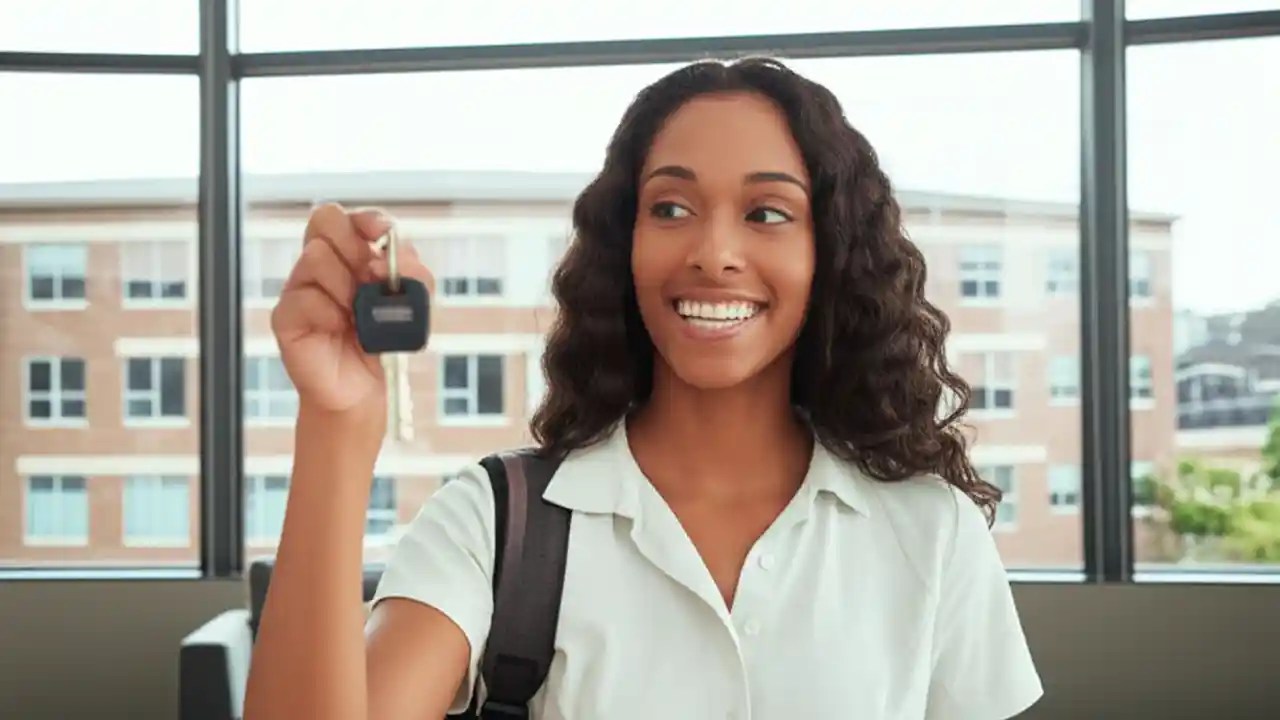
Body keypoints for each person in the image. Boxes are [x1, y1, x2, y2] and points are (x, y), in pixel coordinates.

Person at [243, 57, 1043, 720]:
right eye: (671, 207)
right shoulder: (499, 522)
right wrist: (337, 422)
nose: (713, 252)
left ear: (828, 252)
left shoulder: (931, 533)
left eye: (767, 213)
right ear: (624, 244)